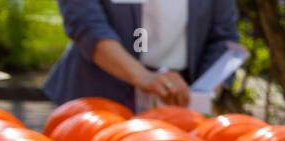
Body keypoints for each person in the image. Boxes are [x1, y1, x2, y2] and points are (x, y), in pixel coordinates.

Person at [44, 1, 239, 111]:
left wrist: (204, 92)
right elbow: (86, 26)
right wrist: (142, 76)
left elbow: (223, 39)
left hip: (177, 101)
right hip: (99, 97)